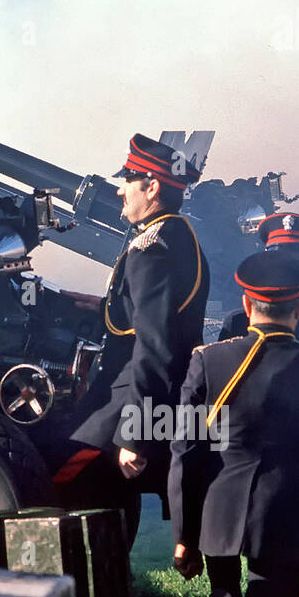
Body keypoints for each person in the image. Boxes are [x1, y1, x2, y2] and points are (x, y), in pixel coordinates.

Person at [169, 250, 299, 597]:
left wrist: (184, 536)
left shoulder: (207, 360)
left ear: (246, 304)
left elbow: (185, 453)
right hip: (288, 520)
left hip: (218, 520)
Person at [51, 134, 209, 547]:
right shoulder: (173, 235)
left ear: (152, 187)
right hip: (144, 394)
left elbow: (155, 346)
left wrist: (135, 434)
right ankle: (107, 583)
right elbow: (150, 320)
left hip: (132, 399)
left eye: (129, 180)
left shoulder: (151, 249)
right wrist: (106, 305)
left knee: (60, 474)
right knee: (106, 493)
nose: (119, 189)